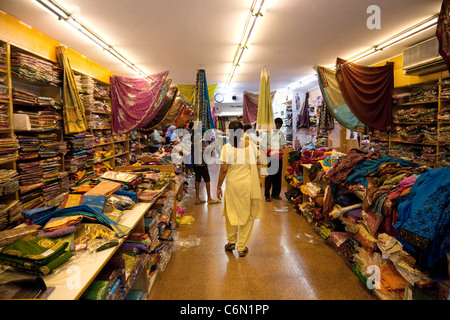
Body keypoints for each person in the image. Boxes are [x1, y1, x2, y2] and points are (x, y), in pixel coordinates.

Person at [216, 121, 261, 257]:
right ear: (242, 131)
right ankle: (241, 247)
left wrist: (218, 186)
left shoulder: (227, 148)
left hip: (233, 185)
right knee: (247, 214)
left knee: (231, 211)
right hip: (248, 184)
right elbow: (258, 160)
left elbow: (224, 170)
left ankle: (231, 242)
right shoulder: (251, 145)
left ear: (229, 132)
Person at [191, 125, 219, 205]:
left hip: (196, 162)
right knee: (207, 179)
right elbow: (201, 150)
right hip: (202, 163)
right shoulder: (200, 140)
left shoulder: (193, 139)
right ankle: (209, 198)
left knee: (197, 179)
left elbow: (193, 151)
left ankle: (197, 199)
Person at [261, 117, 287, 202]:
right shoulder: (268, 134)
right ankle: (267, 195)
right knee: (270, 176)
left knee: (278, 176)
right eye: (277, 126)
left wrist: (280, 147)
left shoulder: (281, 134)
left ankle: (275, 194)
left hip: (278, 156)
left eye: (279, 126)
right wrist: (269, 151)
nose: (277, 128)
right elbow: (263, 145)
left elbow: (283, 144)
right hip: (270, 156)